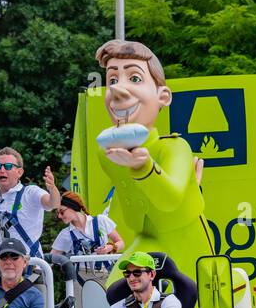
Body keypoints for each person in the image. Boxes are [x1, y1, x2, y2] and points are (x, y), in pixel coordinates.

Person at [91, 40, 212, 281]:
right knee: (116, 291)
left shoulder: (174, 146)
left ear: (163, 96)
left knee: (209, 298)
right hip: (147, 239)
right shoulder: (107, 154)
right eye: (112, 80)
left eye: (134, 78)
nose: (117, 89)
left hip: (187, 239)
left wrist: (143, 167)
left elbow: (170, 200)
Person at [104, 252, 182, 308]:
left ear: (151, 275)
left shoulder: (170, 301)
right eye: (127, 273)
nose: (131, 278)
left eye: (137, 273)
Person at [48, 190, 124, 261]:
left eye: (61, 212)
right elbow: (50, 258)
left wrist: (110, 247)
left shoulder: (101, 220)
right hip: (81, 274)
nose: (59, 216)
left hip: (106, 272)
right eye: (58, 213)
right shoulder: (65, 234)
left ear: (72, 207)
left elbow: (121, 243)